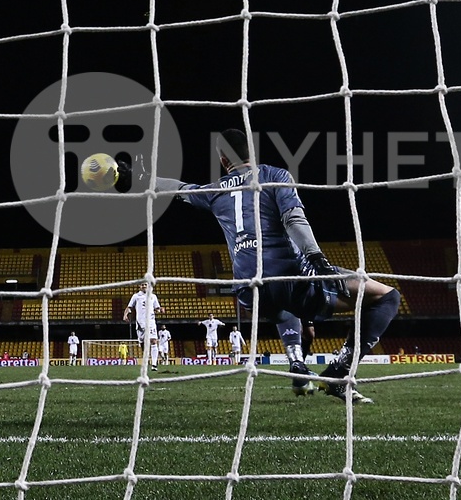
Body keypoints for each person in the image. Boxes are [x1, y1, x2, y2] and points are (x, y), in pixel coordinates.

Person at [142, 128, 401, 404]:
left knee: (289, 311)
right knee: (387, 297)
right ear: (251, 152)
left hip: (249, 291)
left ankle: (298, 366)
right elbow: (293, 219)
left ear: (223, 160)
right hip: (290, 278)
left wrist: (143, 178)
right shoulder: (274, 175)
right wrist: (317, 258)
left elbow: (179, 188)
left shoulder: (215, 191)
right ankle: (339, 372)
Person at [123, 281, 164, 371]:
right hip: (140, 323)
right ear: (140, 286)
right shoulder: (136, 296)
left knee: (153, 341)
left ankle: (154, 364)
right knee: (142, 342)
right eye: (142, 285)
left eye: (146, 284)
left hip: (151, 321)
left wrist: (160, 310)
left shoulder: (153, 296)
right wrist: (125, 315)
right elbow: (129, 307)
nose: (144, 286)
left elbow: (157, 308)